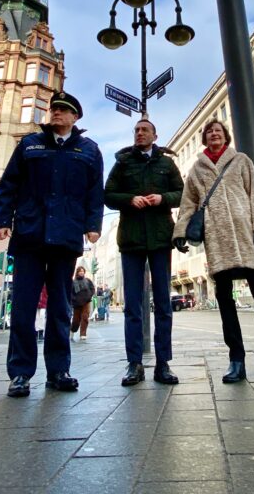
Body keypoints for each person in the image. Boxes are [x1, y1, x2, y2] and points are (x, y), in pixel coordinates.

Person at [172, 120, 254, 387]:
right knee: (225, 305)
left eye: (218, 131)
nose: (214, 134)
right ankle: (237, 361)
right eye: (209, 132)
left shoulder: (242, 161)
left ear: (226, 136)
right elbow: (189, 203)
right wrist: (180, 232)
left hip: (245, 238)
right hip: (218, 240)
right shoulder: (197, 169)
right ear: (204, 139)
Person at [0, 90, 104, 398]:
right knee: (24, 308)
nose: (56, 113)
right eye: (53, 109)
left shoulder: (89, 150)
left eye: (63, 110)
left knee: (59, 307)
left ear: (75, 117)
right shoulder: (30, 145)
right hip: (30, 235)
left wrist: (93, 226)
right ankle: (20, 374)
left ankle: (58, 371)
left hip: (65, 239)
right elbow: (9, 184)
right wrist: (2, 220)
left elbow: (95, 194)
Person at [104, 118, 185, 386]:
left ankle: (163, 364)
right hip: (131, 240)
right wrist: (129, 200)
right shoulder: (124, 162)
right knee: (133, 306)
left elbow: (182, 193)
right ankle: (134, 364)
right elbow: (108, 195)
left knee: (164, 304)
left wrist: (163, 199)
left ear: (154, 135)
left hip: (161, 238)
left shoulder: (166, 163)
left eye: (144, 130)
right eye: (136, 130)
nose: (139, 133)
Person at [70, 266, 95, 340]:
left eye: (83, 271)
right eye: (80, 271)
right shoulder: (73, 282)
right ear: (77, 272)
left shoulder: (87, 280)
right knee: (76, 320)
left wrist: (89, 296)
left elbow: (92, 289)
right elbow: (70, 293)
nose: (81, 272)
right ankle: (72, 330)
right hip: (77, 304)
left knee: (85, 318)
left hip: (86, 302)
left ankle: (83, 334)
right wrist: (74, 299)